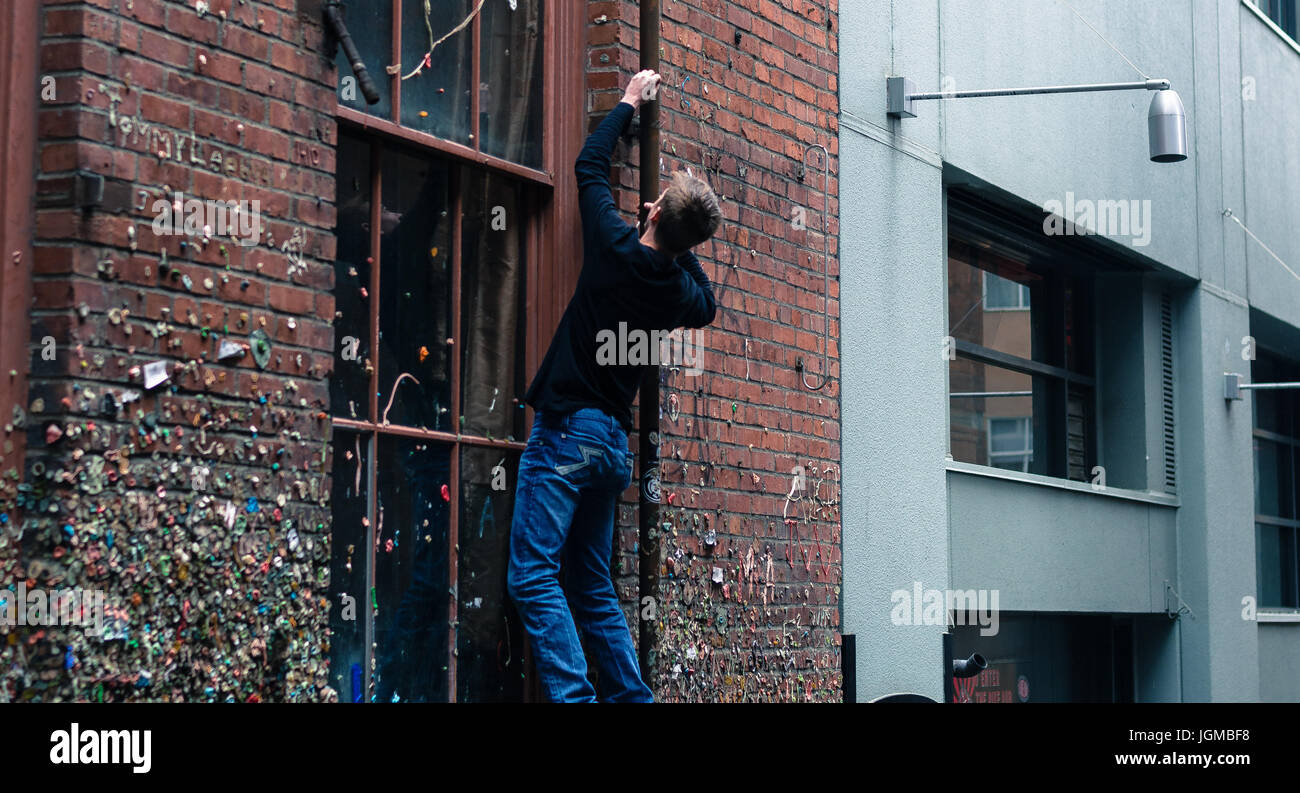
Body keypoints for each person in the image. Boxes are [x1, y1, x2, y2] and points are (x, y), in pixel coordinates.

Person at [506, 69, 722, 702]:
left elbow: (587, 167)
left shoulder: (613, 247)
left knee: (532, 576)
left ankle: (577, 699)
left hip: (570, 431)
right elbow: (708, 303)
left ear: (652, 212)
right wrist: (678, 244)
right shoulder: (676, 289)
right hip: (610, 448)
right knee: (592, 584)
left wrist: (628, 102)